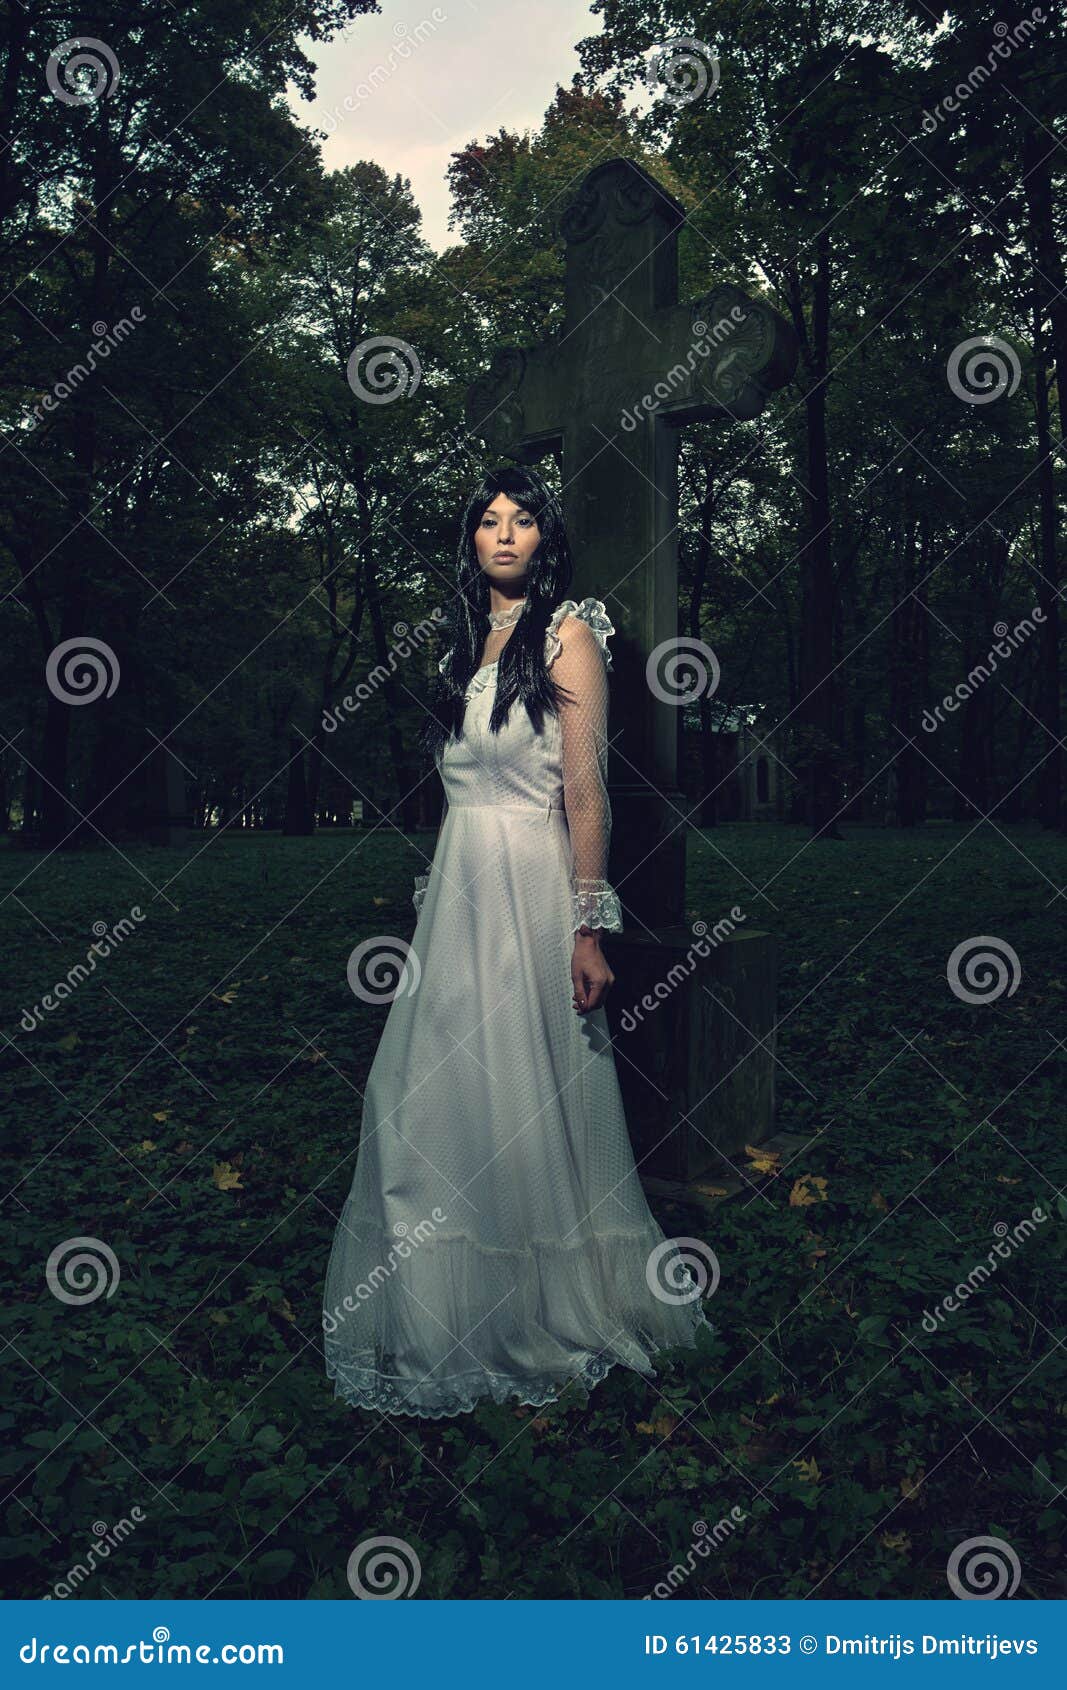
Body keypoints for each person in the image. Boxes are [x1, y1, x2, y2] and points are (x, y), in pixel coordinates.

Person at [322, 464, 712, 1418]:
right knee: (419, 1092)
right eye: (486, 522)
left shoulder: (570, 633)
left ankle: (544, 1304)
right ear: (469, 542)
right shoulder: (463, 644)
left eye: (522, 520)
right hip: (459, 891)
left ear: (545, 537)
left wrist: (586, 925)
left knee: (528, 1090)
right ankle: (437, 1307)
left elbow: (586, 791)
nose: (502, 535)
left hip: (532, 889)